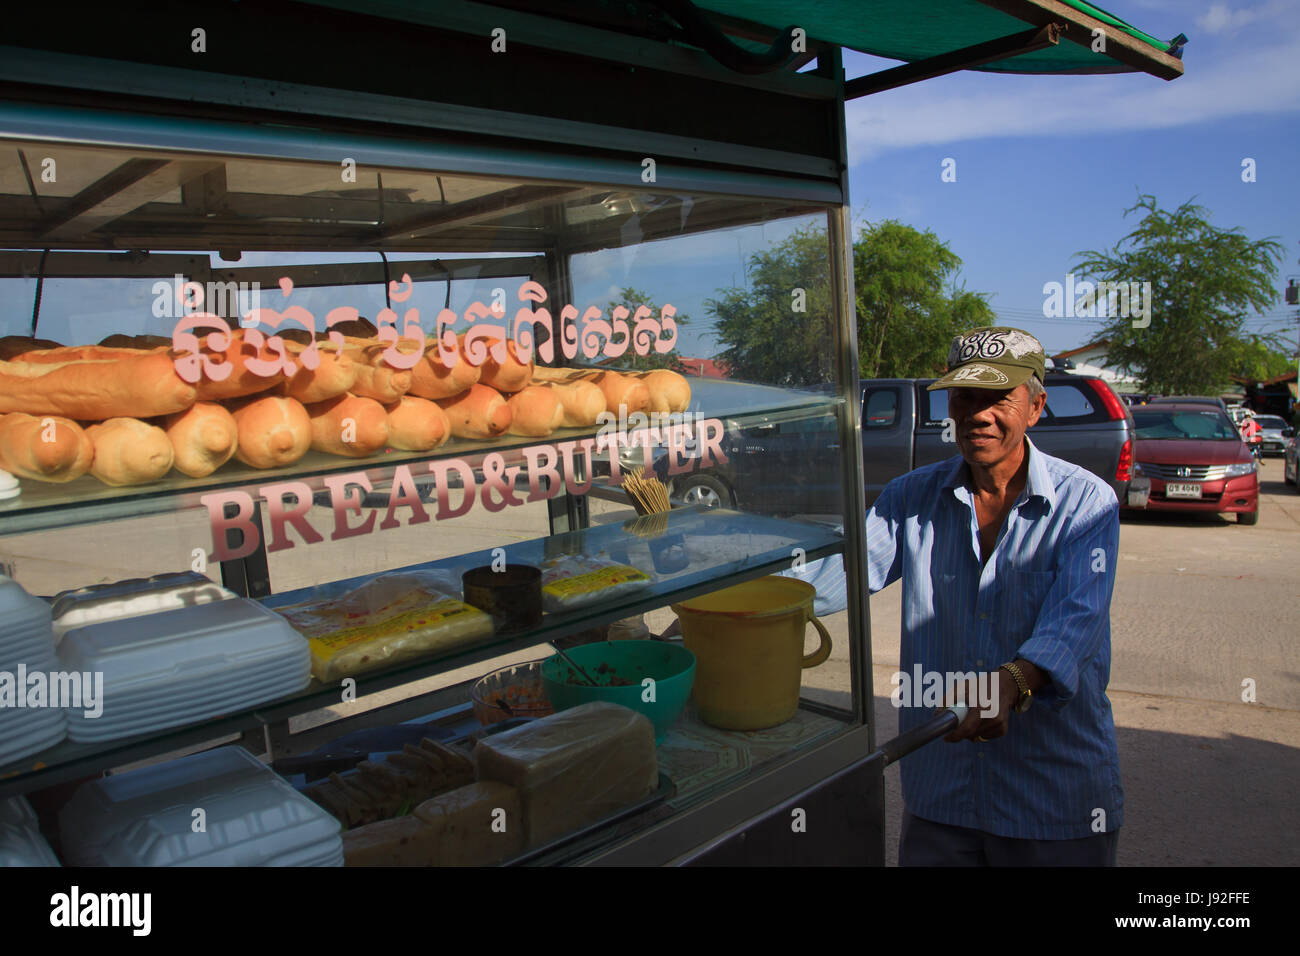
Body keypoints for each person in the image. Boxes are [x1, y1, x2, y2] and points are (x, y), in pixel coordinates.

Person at [866, 327, 1122, 866]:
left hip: (1052, 800)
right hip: (942, 790)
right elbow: (839, 572)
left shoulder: (1085, 502)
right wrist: (723, 578)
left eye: (998, 398)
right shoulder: (910, 497)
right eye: (965, 397)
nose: (978, 414)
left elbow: (1077, 620)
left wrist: (1014, 680)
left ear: (1035, 406)